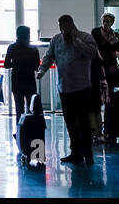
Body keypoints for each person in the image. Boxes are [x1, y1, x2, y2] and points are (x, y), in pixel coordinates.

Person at [39, 15, 101, 165]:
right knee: (70, 122)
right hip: (64, 87)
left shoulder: (85, 37)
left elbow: (92, 54)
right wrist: (42, 69)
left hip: (82, 88)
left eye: (65, 27)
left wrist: (76, 41)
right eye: (61, 27)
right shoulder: (56, 40)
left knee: (83, 122)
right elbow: (49, 56)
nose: (63, 30)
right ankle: (76, 152)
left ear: (72, 25)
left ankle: (88, 153)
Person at [2, 26, 40, 119]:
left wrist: (16, 63)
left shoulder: (12, 47)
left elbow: (6, 64)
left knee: (19, 108)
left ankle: (20, 131)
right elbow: (36, 66)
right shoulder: (33, 48)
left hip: (16, 80)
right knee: (31, 107)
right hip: (30, 80)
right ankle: (30, 129)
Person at [91, 14, 119, 79]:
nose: (105, 23)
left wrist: (118, 54)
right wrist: (110, 42)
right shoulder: (95, 32)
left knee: (109, 87)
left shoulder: (116, 36)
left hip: (110, 68)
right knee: (96, 86)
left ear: (112, 23)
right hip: (97, 66)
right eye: (103, 21)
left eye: (107, 22)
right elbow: (96, 47)